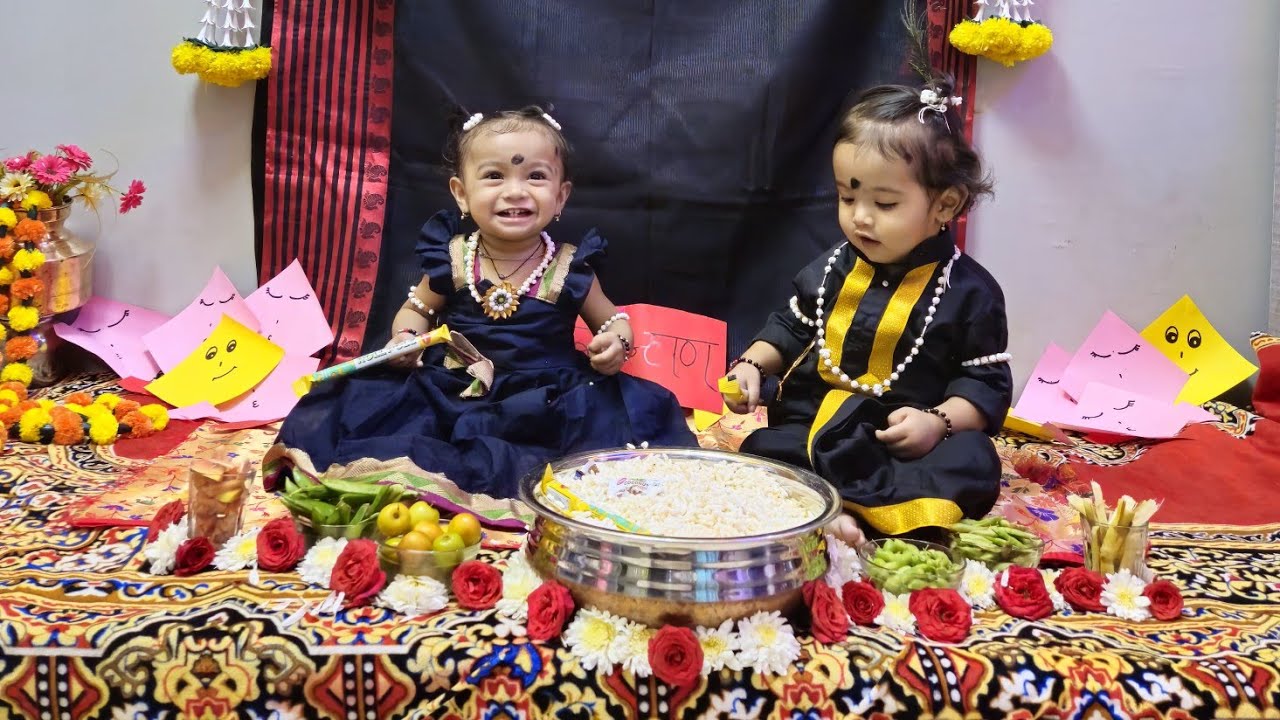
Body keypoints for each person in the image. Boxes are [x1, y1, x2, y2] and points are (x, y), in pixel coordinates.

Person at [271, 106, 696, 499]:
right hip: (455, 387)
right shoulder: (451, 257)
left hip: (548, 398)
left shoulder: (571, 266)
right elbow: (417, 310)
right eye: (494, 176)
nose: (515, 192)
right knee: (380, 417)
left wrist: (616, 345)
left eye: (535, 177)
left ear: (561, 196)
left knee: (609, 443)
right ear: (460, 193)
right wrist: (405, 336)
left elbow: (614, 319)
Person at [724, 79, 1012, 545]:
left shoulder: (970, 292)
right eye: (846, 197)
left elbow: (984, 384)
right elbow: (790, 325)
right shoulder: (833, 267)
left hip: (905, 445)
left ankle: (848, 516)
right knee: (763, 448)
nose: (859, 217)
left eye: (884, 204)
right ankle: (829, 516)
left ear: (946, 204)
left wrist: (936, 422)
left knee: (972, 460)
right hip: (820, 428)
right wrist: (752, 365)